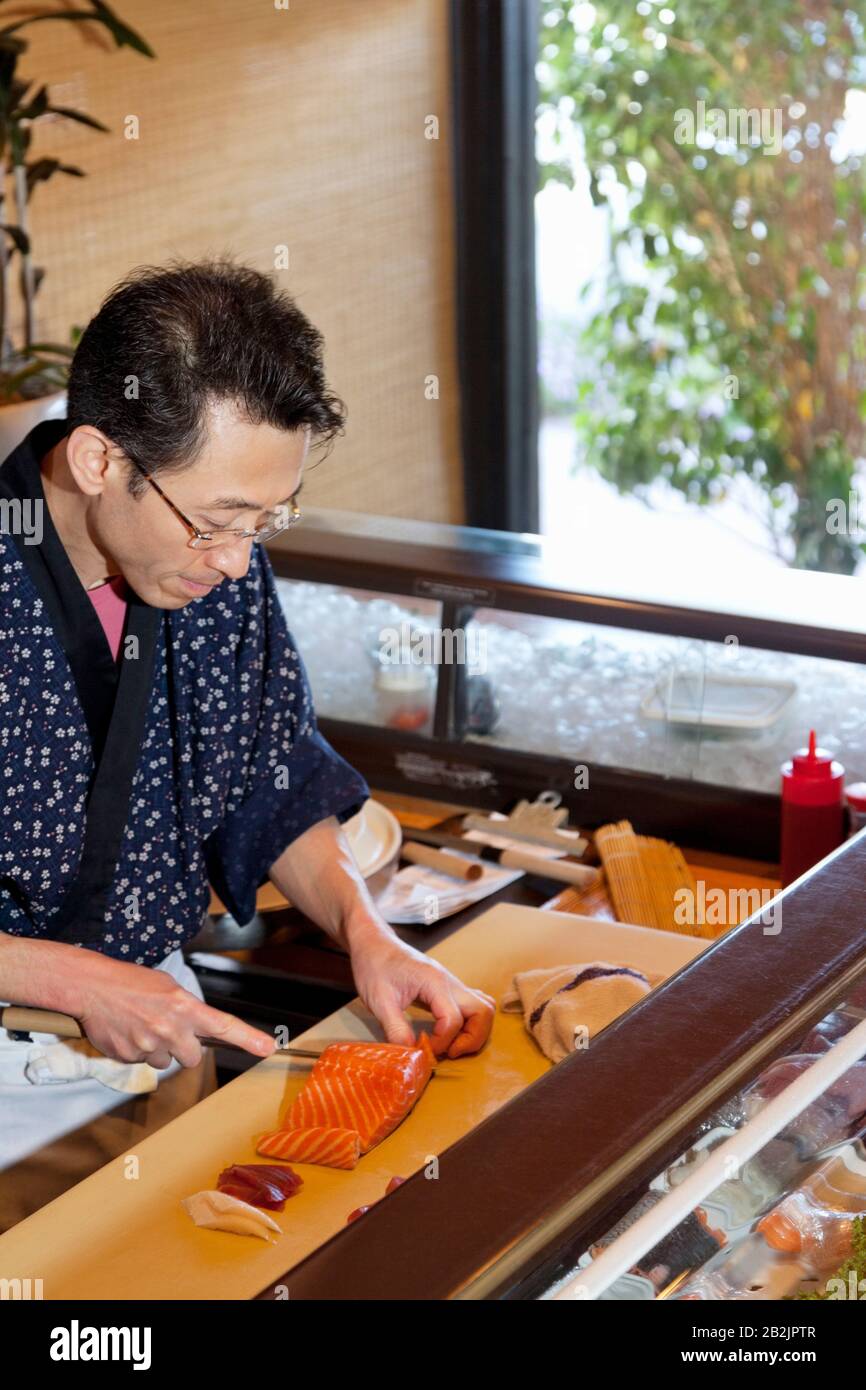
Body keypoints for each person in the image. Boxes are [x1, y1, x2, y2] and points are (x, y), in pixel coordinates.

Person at [0, 259, 495, 1229]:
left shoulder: (208, 569)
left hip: (158, 1049)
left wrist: (367, 935)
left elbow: (266, 777)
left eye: (265, 521)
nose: (235, 560)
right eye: (217, 520)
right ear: (100, 459)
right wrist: (56, 973)